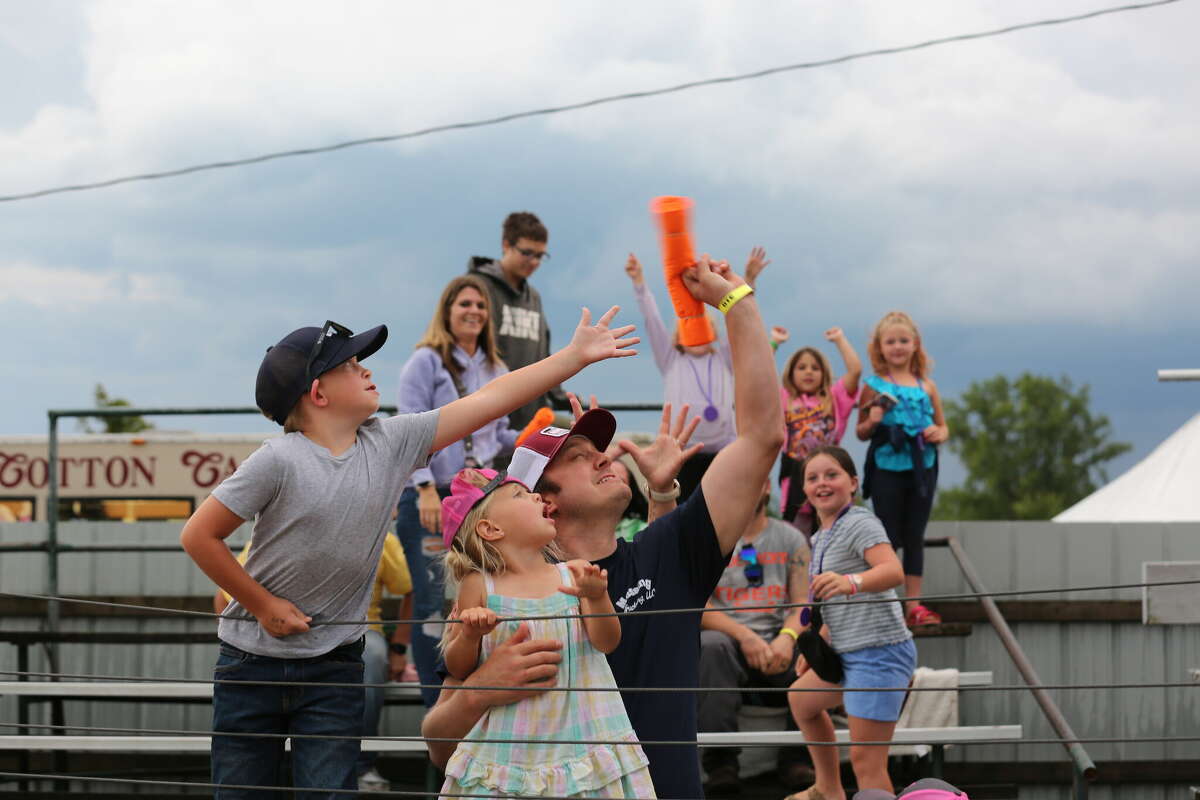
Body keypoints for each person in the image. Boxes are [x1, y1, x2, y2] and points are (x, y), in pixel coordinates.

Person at [180, 308, 637, 799]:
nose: (368, 370)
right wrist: (263, 605)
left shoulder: (392, 442)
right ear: (319, 394)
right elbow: (199, 536)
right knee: (240, 792)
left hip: (335, 662)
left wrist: (573, 357)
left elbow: (489, 399)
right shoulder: (276, 459)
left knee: (331, 791)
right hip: (250, 664)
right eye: (353, 366)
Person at [423, 254, 784, 800]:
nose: (606, 458)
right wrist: (481, 690)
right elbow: (438, 747)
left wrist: (736, 303)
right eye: (577, 455)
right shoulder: (508, 594)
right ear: (540, 500)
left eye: (601, 448)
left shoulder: (668, 552)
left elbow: (761, 438)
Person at [437, 467, 656, 798]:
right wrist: (468, 635)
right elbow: (458, 668)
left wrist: (596, 596)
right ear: (490, 528)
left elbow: (607, 642)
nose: (537, 495)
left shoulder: (574, 573)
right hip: (510, 747)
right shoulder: (479, 586)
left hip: (588, 736)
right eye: (520, 495)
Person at [395, 274, 520, 707]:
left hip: (480, 497)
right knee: (432, 601)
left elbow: (499, 436)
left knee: (480, 594)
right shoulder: (426, 361)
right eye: (464, 304)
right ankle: (438, 705)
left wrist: (541, 436)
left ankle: (474, 695)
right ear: (447, 311)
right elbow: (408, 428)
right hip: (434, 495)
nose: (473, 312)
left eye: (481, 306)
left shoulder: (497, 369)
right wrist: (425, 487)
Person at [212, 532, 412, 794]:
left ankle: (363, 763)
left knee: (372, 656)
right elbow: (224, 596)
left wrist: (398, 649)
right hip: (276, 639)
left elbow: (409, 589)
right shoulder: (275, 532)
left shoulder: (380, 536)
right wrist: (239, 639)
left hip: (354, 632)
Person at [784, 446, 914, 800]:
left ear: (853, 483)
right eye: (812, 478)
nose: (822, 483)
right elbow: (834, 602)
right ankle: (828, 790)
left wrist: (851, 582)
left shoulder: (859, 522)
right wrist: (818, 645)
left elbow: (893, 571)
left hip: (878, 654)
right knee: (801, 700)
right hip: (848, 653)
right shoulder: (821, 535)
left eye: (832, 475)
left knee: (866, 762)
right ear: (805, 490)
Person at [621, 246, 771, 500]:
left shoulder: (723, 356)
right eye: (689, 324)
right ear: (678, 333)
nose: (696, 332)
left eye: (702, 324)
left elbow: (739, 319)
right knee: (685, 510)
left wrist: (749, 279)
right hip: (683, 452)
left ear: (712, 330)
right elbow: (652, 320)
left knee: (721, 511)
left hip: (723, 450)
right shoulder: (671, 359)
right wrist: (639, 282)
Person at [698, 479, 813, 795]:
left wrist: (788, 637)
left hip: (780, 642)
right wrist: (745, 636)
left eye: (760, 478)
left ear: (767, 488)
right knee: (710, 647)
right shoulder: (711, 539)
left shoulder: (790, 538)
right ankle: (721, 763)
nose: (751, 484)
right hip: (728, 643)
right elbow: (698, 606)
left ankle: (798, 759)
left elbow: (804, 604)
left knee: (817, 647)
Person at [856, 311, 949, 628]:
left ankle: (913, 605)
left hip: (923, 466)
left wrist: (939, 433)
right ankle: (883, 602)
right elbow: (860, 431)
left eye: (903, 340)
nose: (897, 346)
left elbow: (943, 426)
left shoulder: (928, 386)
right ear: (879, 347)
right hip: (887, 465)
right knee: (886, 534)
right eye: (890, 341)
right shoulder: (872, 386)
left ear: (915, 345)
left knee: (914, 536)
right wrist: (873, 420)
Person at [467, 211, 568, 429]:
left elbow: (543, 355)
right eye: (527, 253)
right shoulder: (476, 288)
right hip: (487, 420)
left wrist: (560, 396)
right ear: (506, 245)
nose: (533, 262)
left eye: (540, 256)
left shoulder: (534, 297)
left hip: (530, 419)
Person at [778, 327, 863, 536]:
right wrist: (774, 343)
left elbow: (855, 372)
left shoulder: (834, 399)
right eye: (802, 367)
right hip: (795, 478)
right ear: (791, 373)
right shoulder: (784, 399)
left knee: (832, 533)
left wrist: (840, 340)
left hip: (829, 477)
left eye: (815, 368)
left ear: (824, 373)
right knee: (796, 537)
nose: (808, 371)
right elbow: (759, 375)